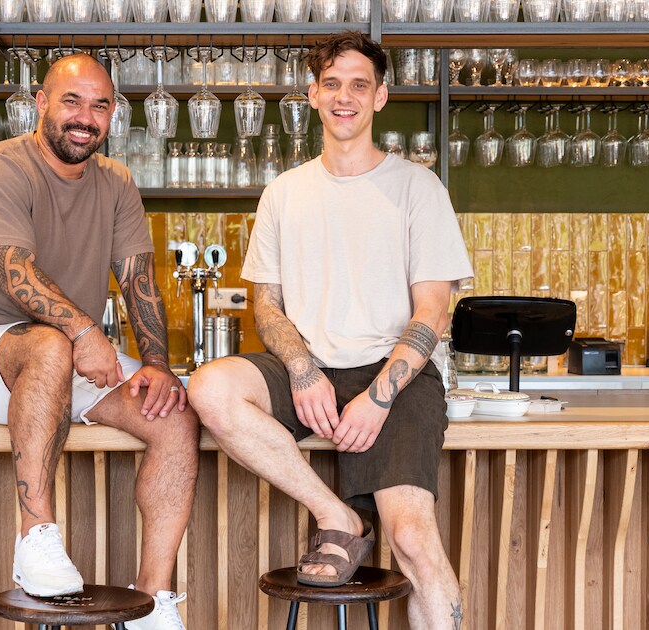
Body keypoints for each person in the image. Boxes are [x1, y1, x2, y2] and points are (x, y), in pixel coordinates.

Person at [187, 31, 473, 630]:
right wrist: (302, 367)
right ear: (312, 95)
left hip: (395, 376)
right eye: (332, 84)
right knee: (209, 387)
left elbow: (432, 313)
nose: (345, 97)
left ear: (381, 96)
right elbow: (266, 307)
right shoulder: (284, 192)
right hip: (310, 370)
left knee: (414, 540)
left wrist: (377, 396)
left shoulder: (419, 189)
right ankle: (338, 517)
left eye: (359, 85)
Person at [0, 53, 197, 630]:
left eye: (99, 105)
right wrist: (85, 330)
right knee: (50, 345)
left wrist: (156, 363)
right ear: (40, 104)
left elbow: (137, 279)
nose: (85, 117)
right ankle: (35, 539)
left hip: (66, 356)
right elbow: (13, 271)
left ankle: (152, 602)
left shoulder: (117, 182)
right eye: (71, 101)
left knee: (174, 411)